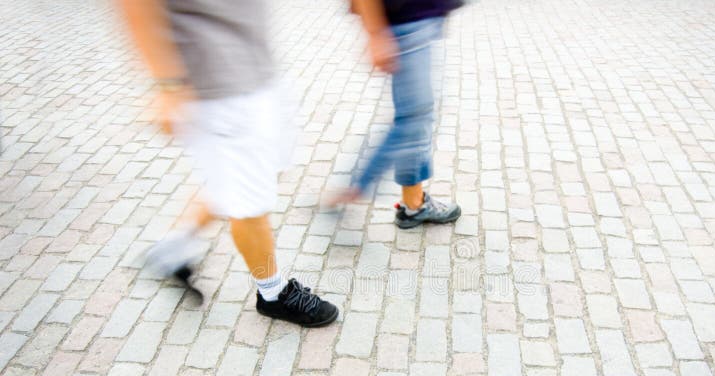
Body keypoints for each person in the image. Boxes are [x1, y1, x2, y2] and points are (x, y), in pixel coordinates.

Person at [118, 0, 339, 327]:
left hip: (255, 72)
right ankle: (273, 294)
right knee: (250, 203)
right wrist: (167, 85)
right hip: (218, 86)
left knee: (255, 175)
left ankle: (172, 250)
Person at [329, 0, 463, 229]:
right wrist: (375, 33)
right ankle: (352, 189)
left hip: (418, 22)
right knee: (412, 121)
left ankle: (414, 205)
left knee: (418, 120)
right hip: (408, 26)